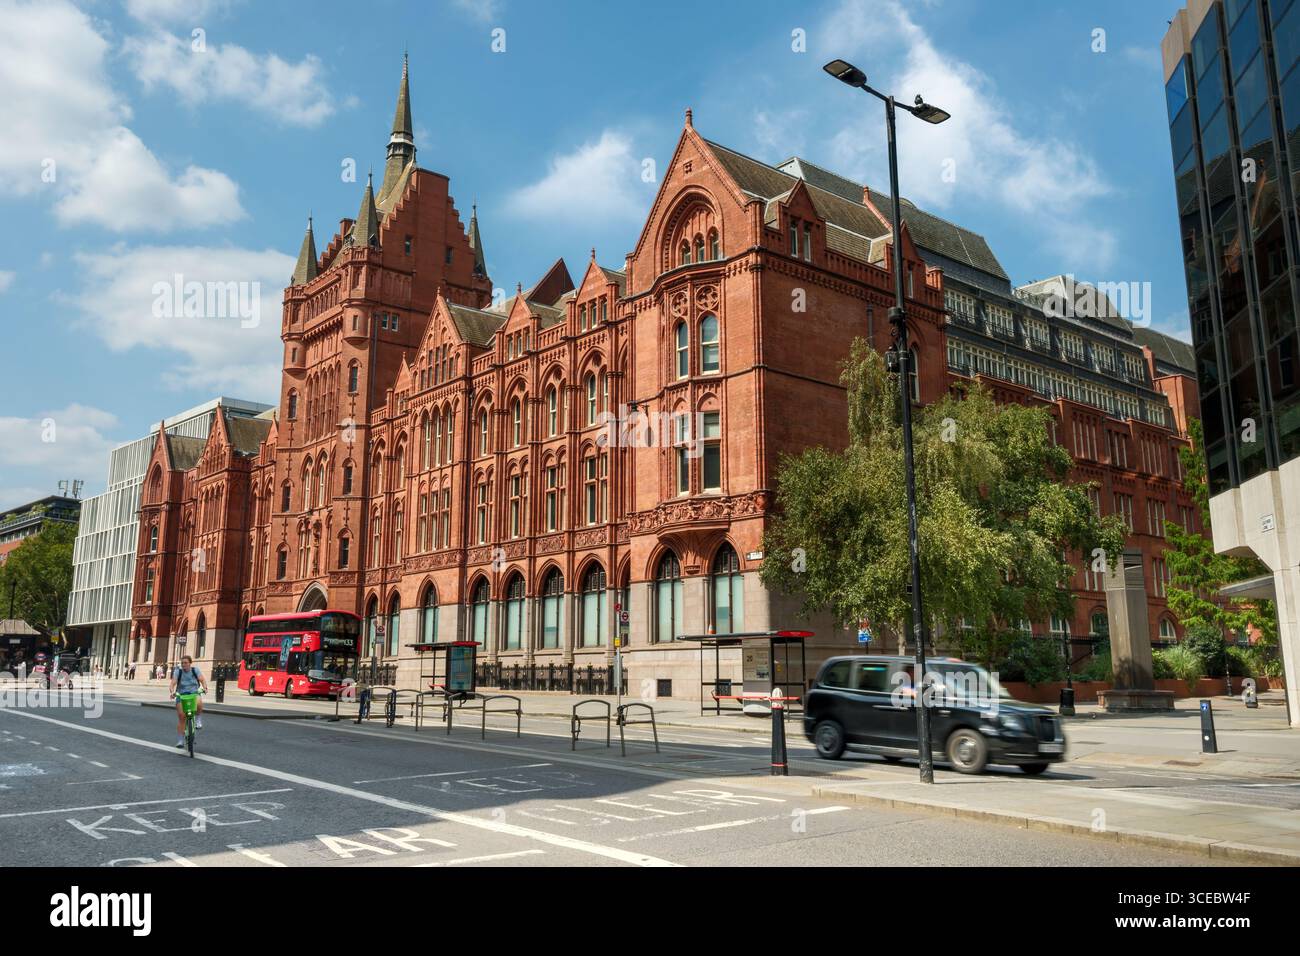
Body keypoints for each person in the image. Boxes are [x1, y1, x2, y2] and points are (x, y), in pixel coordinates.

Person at [168, 655, 208, 747]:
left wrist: (205, 687)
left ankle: (198, 720)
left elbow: (202, 680)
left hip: (194, 693)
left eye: (186, 663)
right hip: (181, 695)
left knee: (199, 702)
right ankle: (180, 741)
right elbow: (173, 683)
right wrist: (172, 692)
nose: (184, 664)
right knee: (182, 717)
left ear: (190, 663)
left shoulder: (195, 670)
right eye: (182, 663)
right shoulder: (178, 672)